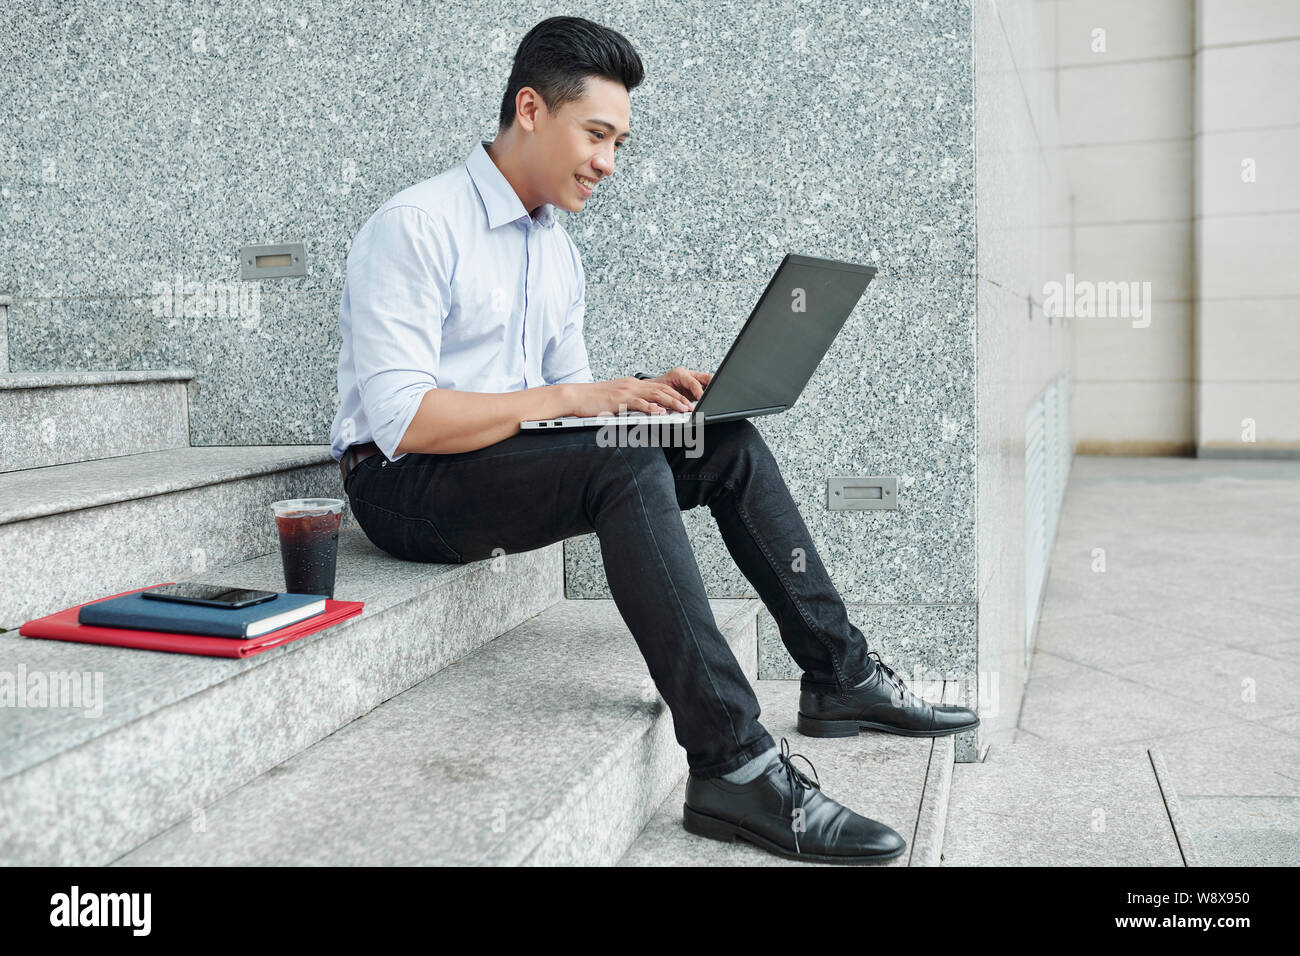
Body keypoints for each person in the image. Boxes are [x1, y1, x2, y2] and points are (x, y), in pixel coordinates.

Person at [328, 15, 978, 865]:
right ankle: (733, 766)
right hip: (401, 486)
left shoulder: (555, 251)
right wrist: (579, 399)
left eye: (619, 144)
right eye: (596, 134)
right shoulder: (414, 226)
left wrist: (640, 403)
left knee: (724, 443)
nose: (607, 161)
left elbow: (565, 421)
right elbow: (403, 420)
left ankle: (839, 675)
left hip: (493, 467)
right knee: (625, 463)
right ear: (531, 108)